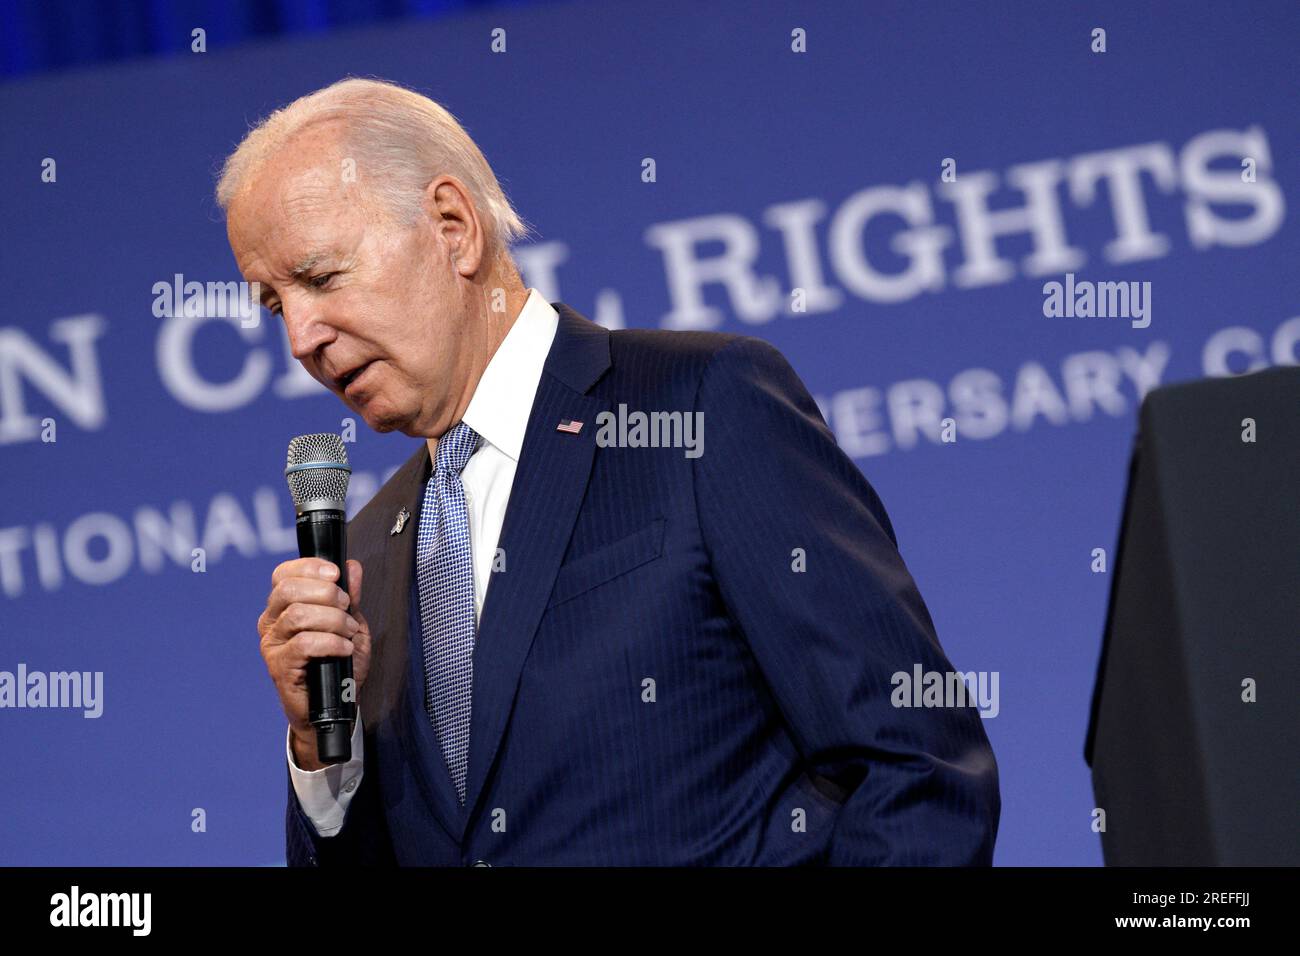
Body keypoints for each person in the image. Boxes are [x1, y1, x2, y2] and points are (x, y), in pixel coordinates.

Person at [219, 78, 1000, 866]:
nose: (302, 339)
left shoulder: (700, 408)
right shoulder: (363, 558)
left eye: (320, 279)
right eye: (275, 305)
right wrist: (325, 753)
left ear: (452, 227)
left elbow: (914, 765)